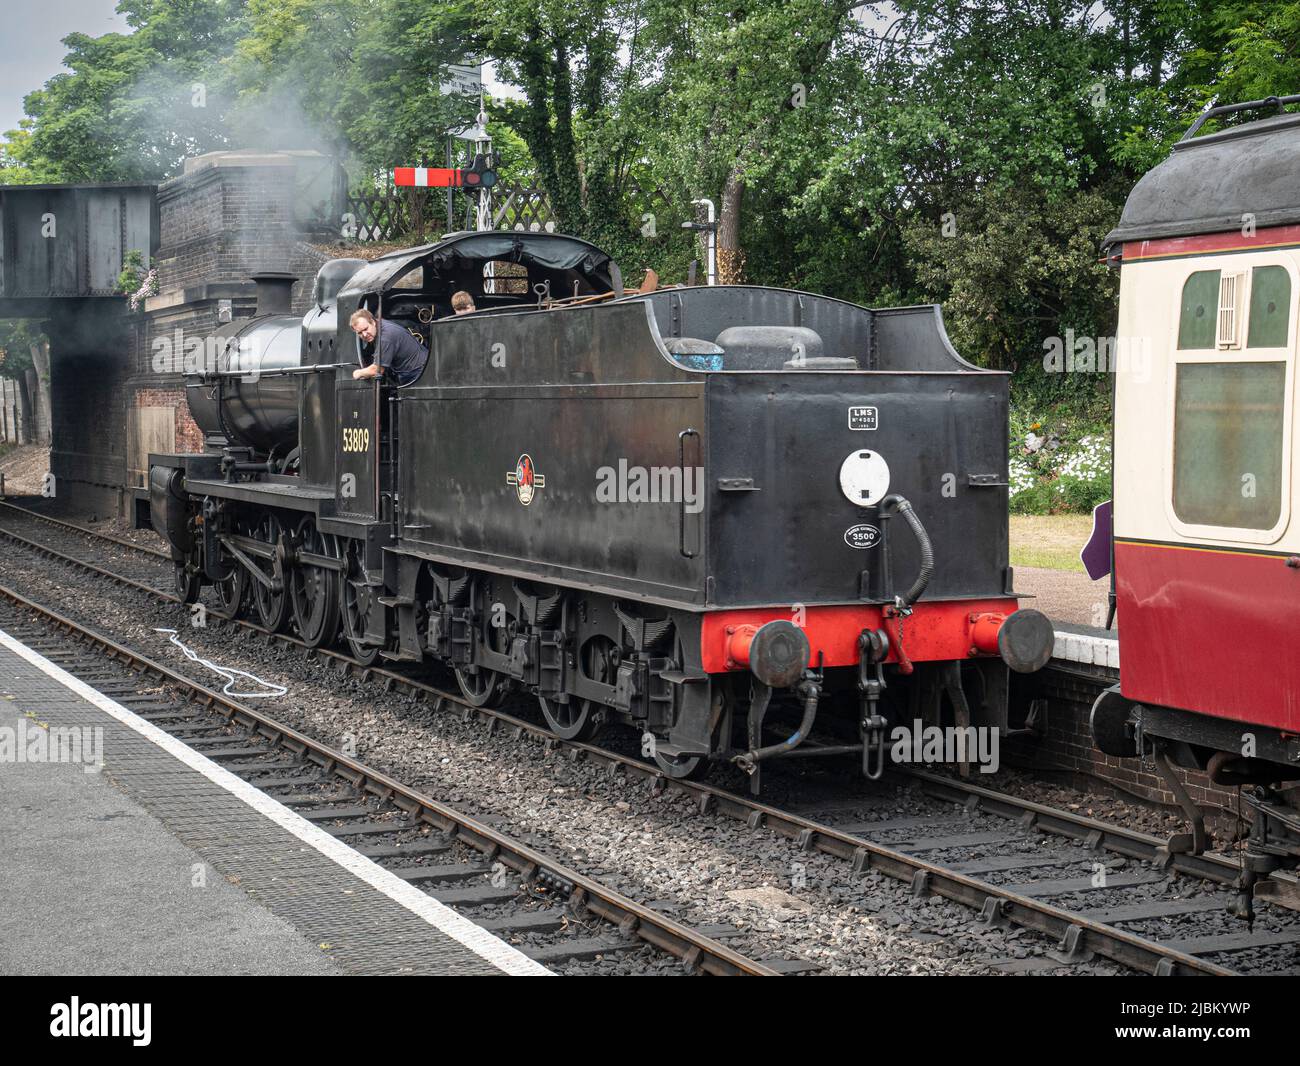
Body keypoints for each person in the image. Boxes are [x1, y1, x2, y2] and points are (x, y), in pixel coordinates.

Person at [349, 308, 427, 385]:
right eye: (360, 333)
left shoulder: (385, 337)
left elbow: (377, 370)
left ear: (372, 322)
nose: (364, 334)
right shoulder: (379, 324)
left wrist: (358, 373)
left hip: (418, 372)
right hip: (416, 368)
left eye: (366, 329)